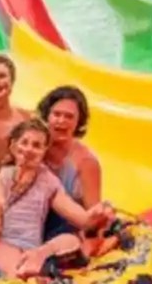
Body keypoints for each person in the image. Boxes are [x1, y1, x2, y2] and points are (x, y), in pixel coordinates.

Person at [0, 120, 113, 279]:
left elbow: (81, 219)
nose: (29, 149)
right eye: (24, 143)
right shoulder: (3, 175)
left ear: (44, 151)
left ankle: (19, 263)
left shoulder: (49, 183)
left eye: (36, 145)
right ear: (13, 147)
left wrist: (98, 213)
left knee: (69, 239)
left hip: (30, 248)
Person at [36, 86, 101, 240]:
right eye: (56, 114)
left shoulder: (86, 162)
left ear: (79, 122)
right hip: (33, 223)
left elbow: (93, 216)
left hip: (66, 231)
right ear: (47, 116)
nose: (61, 121)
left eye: (69, 116)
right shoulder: (35, 147)